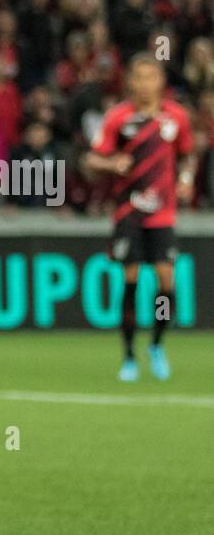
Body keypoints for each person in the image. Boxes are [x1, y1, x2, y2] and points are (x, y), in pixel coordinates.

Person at [84, 55, 196, 382]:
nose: (145, 84)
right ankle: (130, 355)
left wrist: (187, 179)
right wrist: (111, 165)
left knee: (165, 280)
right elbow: (92, 159)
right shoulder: (118, 117)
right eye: (139, 77)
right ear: (130, 81)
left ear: (161, 81)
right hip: (129, 212)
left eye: (151, 77)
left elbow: (187, 156)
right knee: (130, 279)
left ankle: (157, 344)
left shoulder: (176, 117)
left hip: (162, 213)